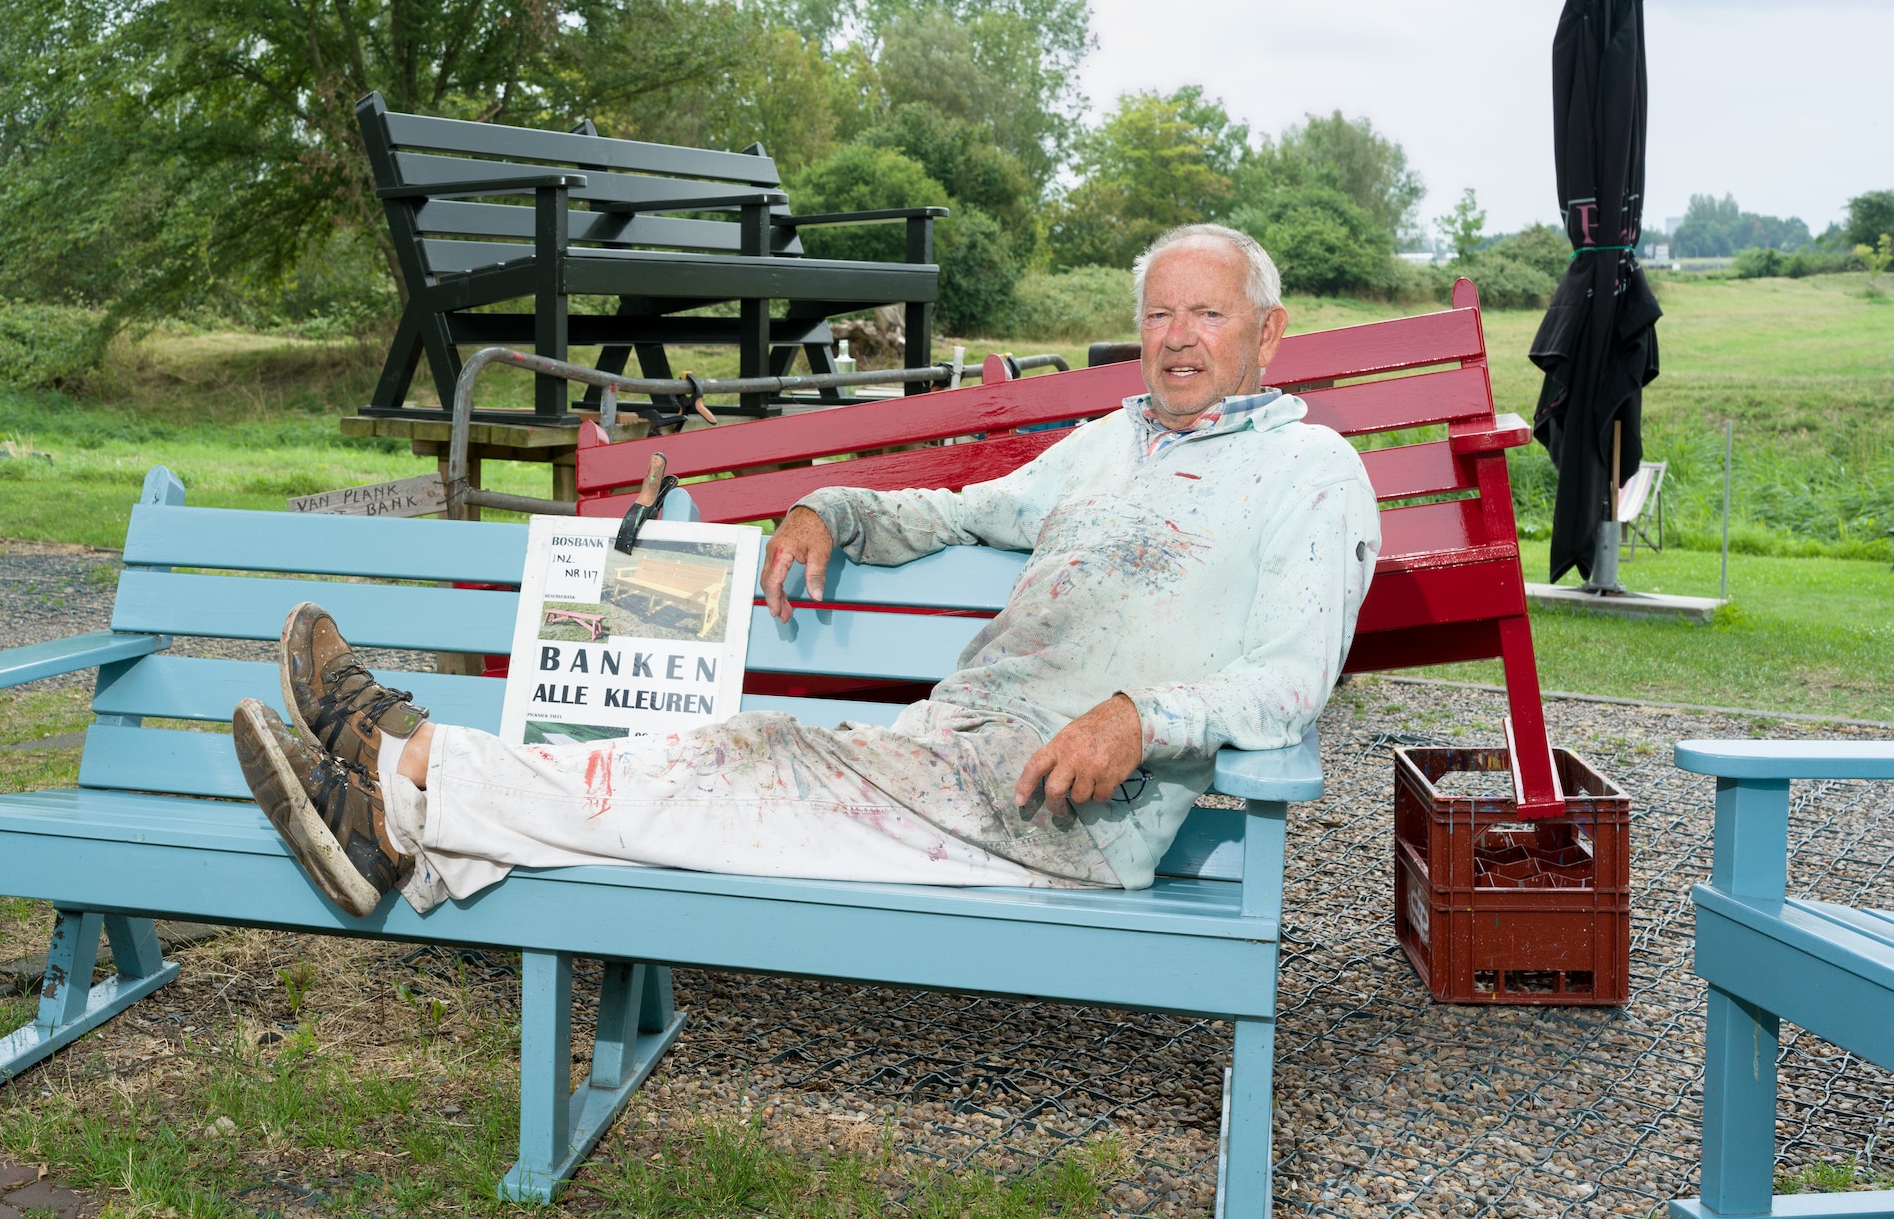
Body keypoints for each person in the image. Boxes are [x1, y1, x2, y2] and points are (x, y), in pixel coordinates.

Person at [231, 223, 1383, 919]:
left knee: (753, 751)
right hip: (952, 757)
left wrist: (1141, 716)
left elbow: (1288, 680)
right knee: (738, 760)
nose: (1177, 338)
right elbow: (953, 513)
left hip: (1055, 812)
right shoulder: (1110, 443)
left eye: (1207, 315)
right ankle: (395, 822)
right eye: (1157, 315)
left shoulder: (1310, 473)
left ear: (1268, 334)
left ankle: (406, 768)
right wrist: (831, 508)